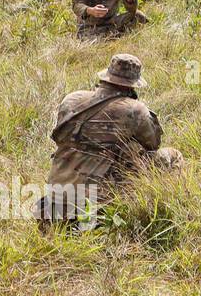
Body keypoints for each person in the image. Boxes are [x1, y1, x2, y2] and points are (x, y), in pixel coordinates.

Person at [35, 54, 182, 224]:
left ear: (105, 77)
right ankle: (166, 212)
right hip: (96, 207)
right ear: (132, 85)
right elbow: (152, 144)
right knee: (173, 156)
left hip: (56, 198)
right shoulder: (134, 109)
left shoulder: (72, 99)